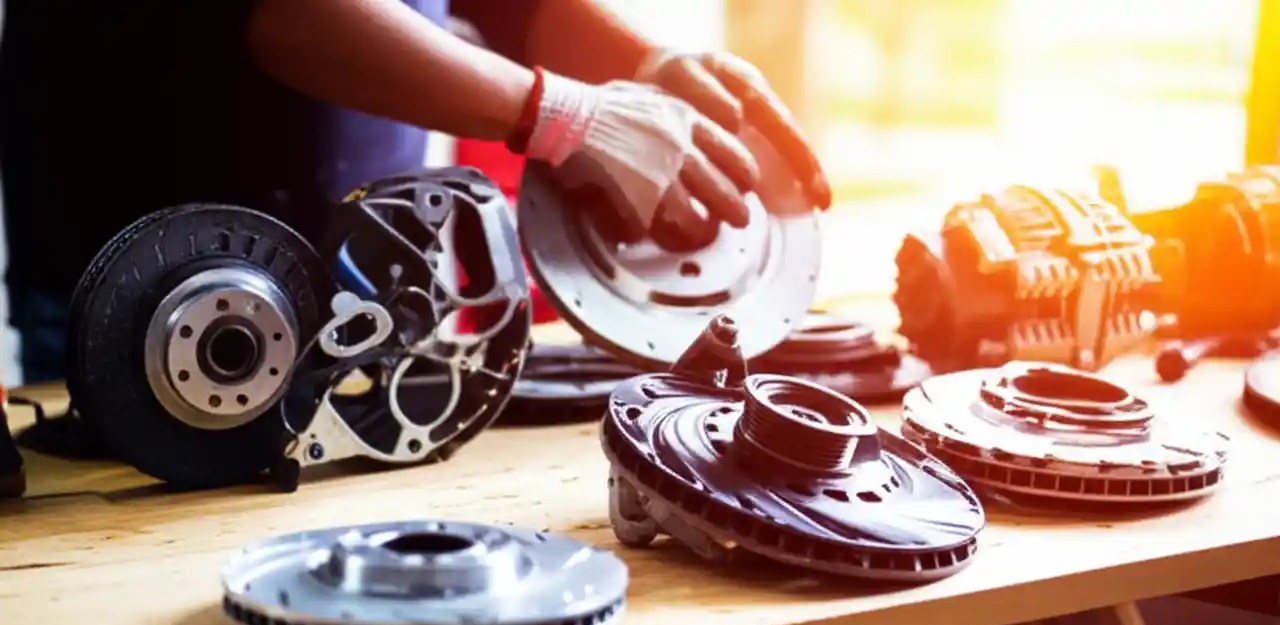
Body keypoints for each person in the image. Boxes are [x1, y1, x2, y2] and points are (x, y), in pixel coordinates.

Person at [0, 0, 830, 383]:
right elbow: (282, 14)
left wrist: (641, 64)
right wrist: (563, 117)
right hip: (144, 313)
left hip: (351, 305)